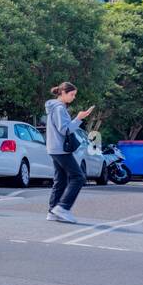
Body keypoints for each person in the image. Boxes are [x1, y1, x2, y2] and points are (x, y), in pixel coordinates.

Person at [46, 81, 94, 224]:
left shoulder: (54, 107)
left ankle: (52, 211)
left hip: (54, 148)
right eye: (72, 94)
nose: (73, 97)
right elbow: (65, 129)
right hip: (60, 149)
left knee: (60, 180)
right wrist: (79, 118)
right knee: (78, 177)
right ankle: (63, 207)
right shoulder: (59, 108)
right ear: (63, 93)